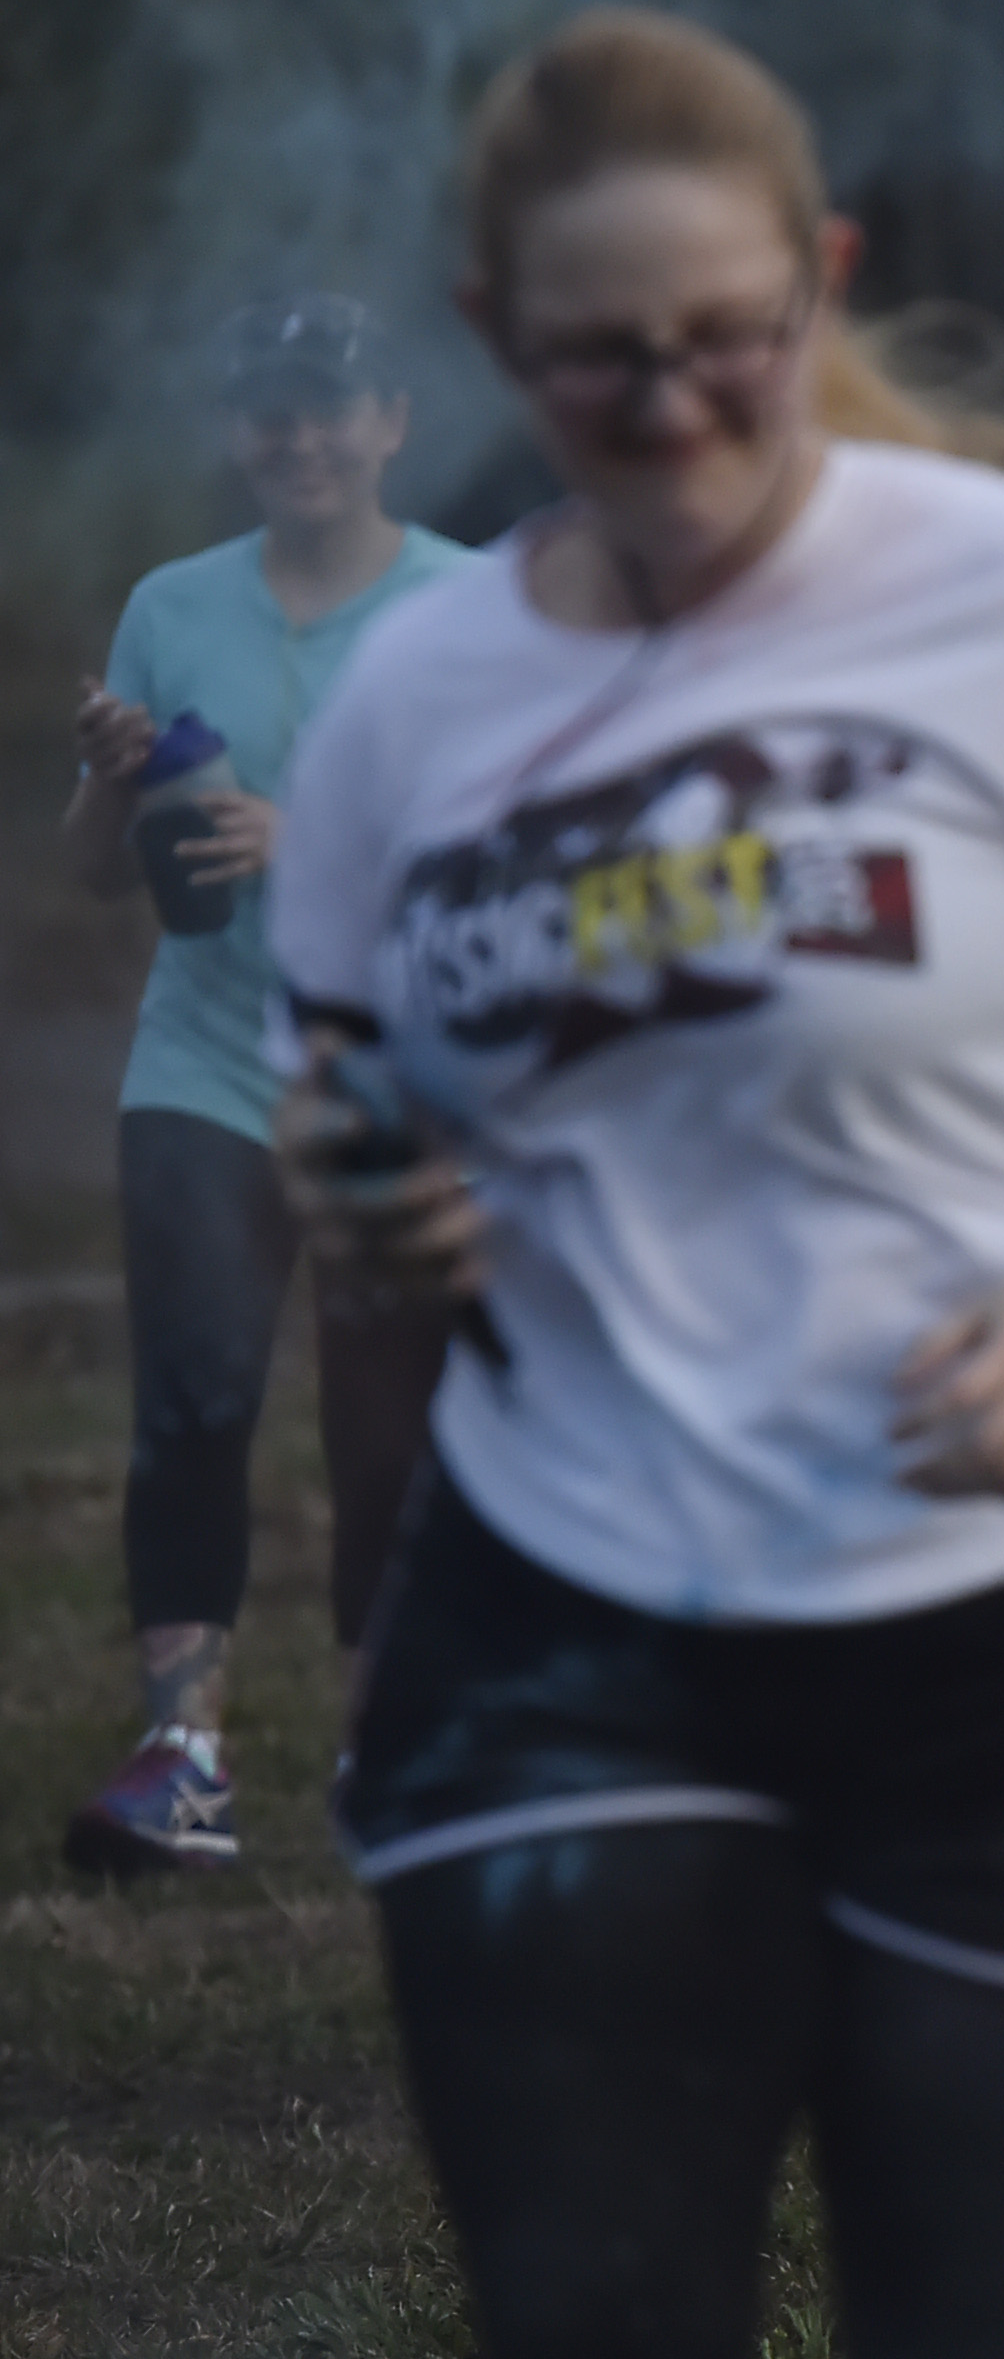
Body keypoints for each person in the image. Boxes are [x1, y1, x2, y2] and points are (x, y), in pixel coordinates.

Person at [273, 7, 1004, 2357]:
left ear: (822, 281)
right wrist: (358, 1206)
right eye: (601, 363)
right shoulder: (415, 696)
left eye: (726, 341)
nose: (673, 406)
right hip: (572, 1622)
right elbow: (354, 1104)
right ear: (495, 338)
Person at [53, 296, 468, 1876]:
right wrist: (111, 779)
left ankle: (383, 1751)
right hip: (207, 1064)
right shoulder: (172, 603)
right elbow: (100, 877)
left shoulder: (470, 612)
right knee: (193, 1406)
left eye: (329, 405)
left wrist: (312, 847)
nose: (296, 437)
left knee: (388, 1439)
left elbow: (512, 866)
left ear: (392, 422)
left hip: (394, 1073)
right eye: (265, 412)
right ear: (236, 434)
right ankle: (185, 1754)